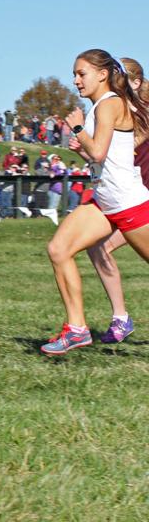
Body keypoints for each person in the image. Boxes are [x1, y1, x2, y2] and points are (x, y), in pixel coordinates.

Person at [41, 50, 149, 355]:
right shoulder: (103, 105)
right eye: (74, 74)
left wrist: (77, 129)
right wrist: (82, 150)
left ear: (102, 74)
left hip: (130, 205)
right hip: (105, 201)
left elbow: (99, 152)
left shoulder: (111, 103)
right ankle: (76, 329)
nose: (75, 81)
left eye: (81, 73)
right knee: (59, 249)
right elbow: (100, 158)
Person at [80, 57, 149, 344]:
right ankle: (120, 317)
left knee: (101, 248)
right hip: (122, 198)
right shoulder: (113, 110)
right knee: (97, 248)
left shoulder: (136, 113)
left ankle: (121, 318)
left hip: (138, 199)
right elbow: (101, 156)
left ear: (133, 83)